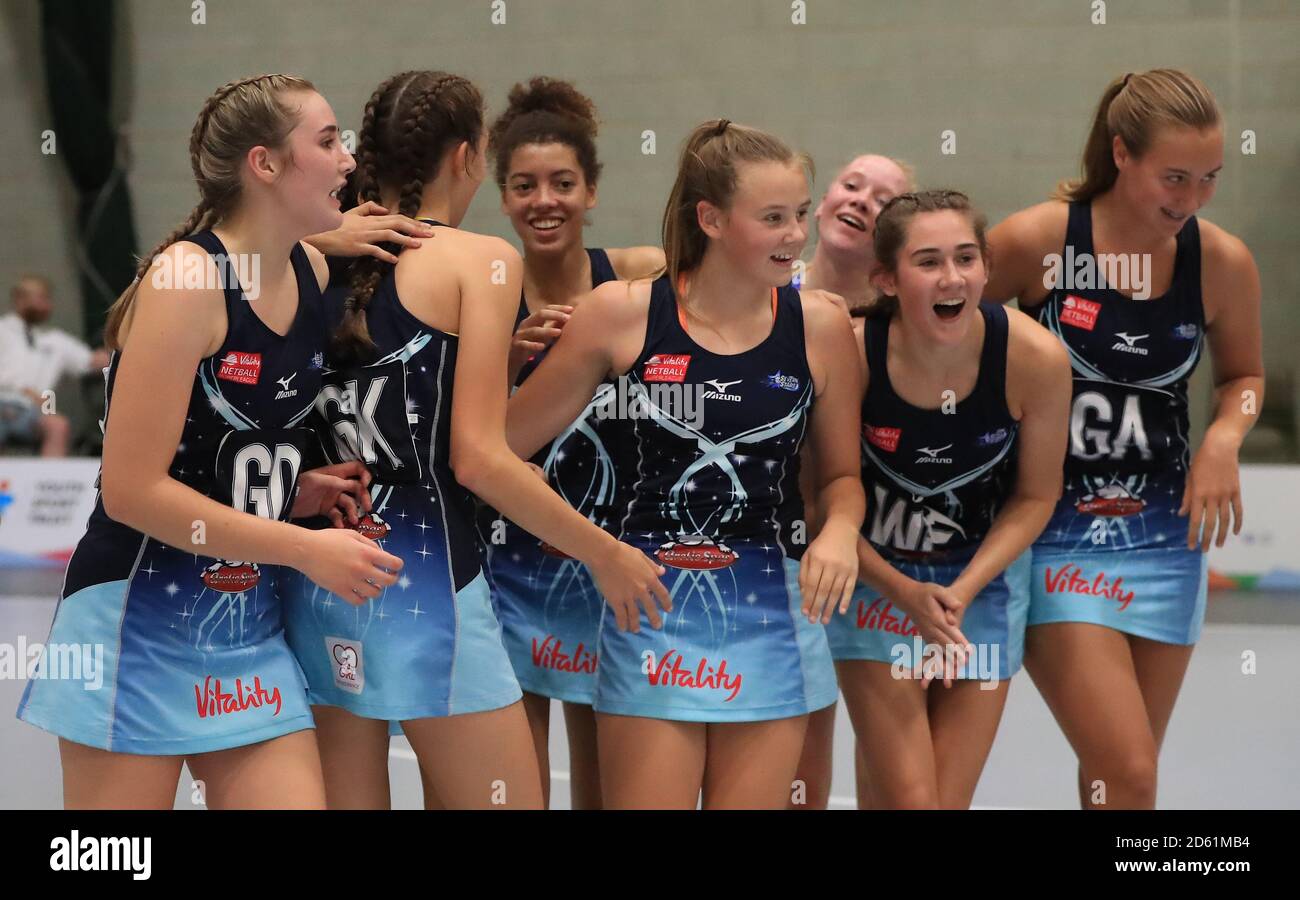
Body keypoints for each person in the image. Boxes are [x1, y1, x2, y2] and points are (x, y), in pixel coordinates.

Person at [278, 70, 671, 810]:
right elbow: (479, 458)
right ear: (468, 155)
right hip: (426, 586)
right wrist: (606, 552)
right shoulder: (478, 258)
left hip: (315, 580)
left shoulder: (303, 257)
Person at [17, 74, 400, 809]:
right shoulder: (187, 281)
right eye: (326, 141)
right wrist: (305, 547)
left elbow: (213, 447)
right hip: (135, 623)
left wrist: (288, 490)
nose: (348, 160)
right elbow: (130, 490)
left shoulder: (308, 266)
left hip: (244, 628)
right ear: (264, 164)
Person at [506, 119, 865, 809]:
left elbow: (842, 480)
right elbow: (493, 452)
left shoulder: (819, 324)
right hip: (651, 613)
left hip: (771, 615)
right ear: (711, 219)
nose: (796, 235)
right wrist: (598, 551)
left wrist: (841, 532)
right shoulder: (624, 314)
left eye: (798, 214)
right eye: (772, 218)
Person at [985, 68, 1264, 808]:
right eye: (1174, 177)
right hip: (1055, 536)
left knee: (1117, 776)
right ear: (1120, 153)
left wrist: (1223, 440)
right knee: (1131, 771)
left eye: (1209, 179)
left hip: (1168, 540)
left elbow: (1244, 377)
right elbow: (935, 324)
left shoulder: (1222, 262)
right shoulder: (1041, 239)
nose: (1193, 198)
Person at [821, 189, 1071, 809]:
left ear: (987, 266)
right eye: (928, 262)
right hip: (877, 586)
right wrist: (905, 593)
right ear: (886, 278)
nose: (951, 277)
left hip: (979, 591)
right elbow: (820, 503)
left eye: (966, 258)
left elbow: (1037, 497)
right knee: (914, 800)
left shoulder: (1034, 356)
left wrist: (962, 590)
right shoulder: (852, 353)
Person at [480, 76, 664, 809]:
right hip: (507, 572)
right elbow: (462, 443)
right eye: (523, 186)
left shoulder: (640, 275)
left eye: (562, 183)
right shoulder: (485, 290)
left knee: (604, 793)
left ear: (591, 191)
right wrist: (511, 359)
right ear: (503, 197)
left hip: (609, 570)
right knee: (515, 791)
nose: (543, 201)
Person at [790, 152, 915, 809]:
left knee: (899, 784)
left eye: (885, 199)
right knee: (794, 775)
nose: (864, 199)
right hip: (777, 564)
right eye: (853, 184)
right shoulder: (760, 290)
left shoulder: (910, 329)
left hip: (874, 568)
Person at [0, 275, 110, 456]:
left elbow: (93, 361)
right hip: (4, 401)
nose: (47, 305)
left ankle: (49, 482)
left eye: (48, 299)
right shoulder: (2, 329)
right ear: (20, 299)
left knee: (58, 426)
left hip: (31, 409)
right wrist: (21, 390)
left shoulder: (55, 341)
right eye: (41, 298)